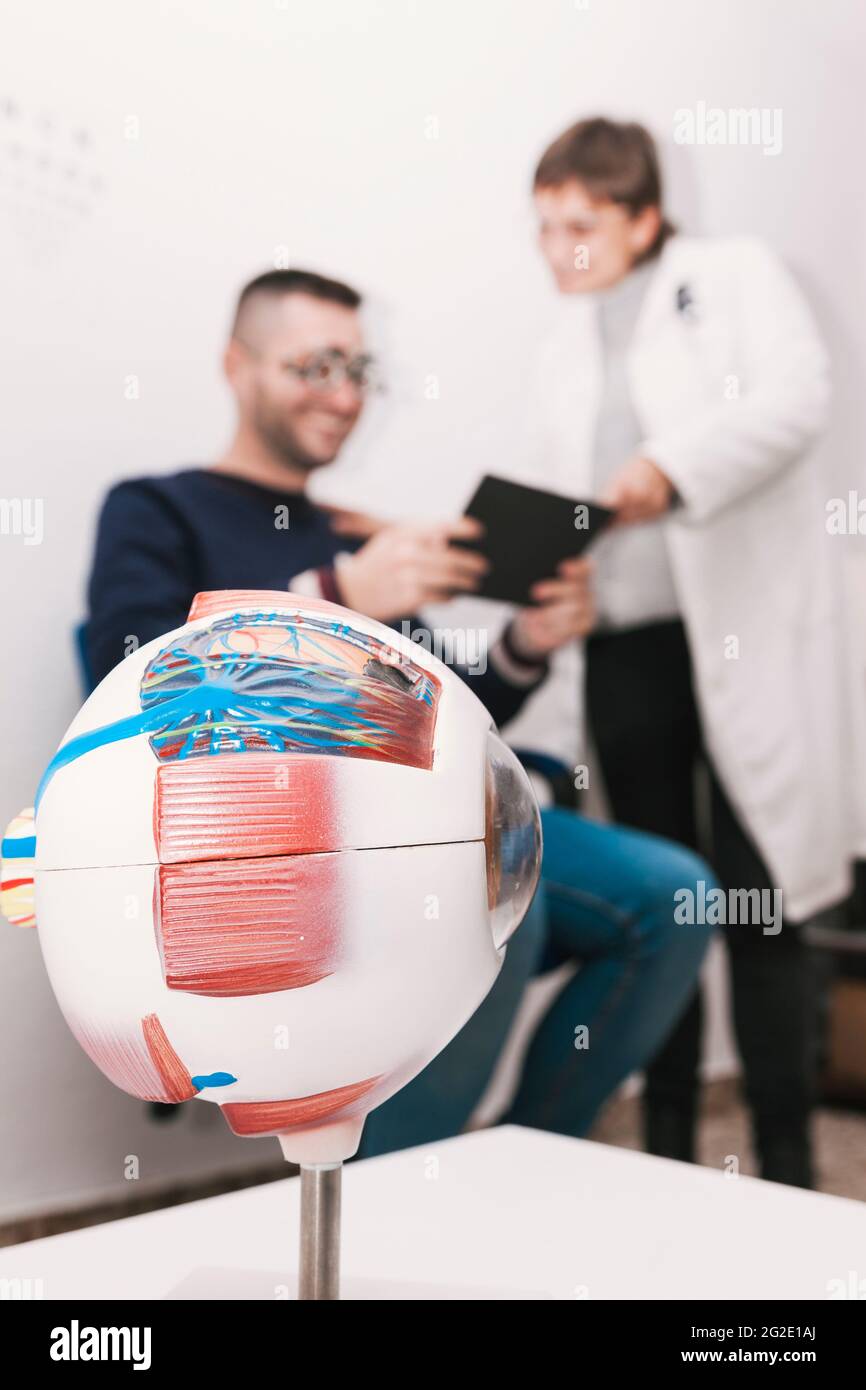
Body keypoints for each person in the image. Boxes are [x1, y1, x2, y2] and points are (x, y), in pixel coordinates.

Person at [85, 267, 715, 1156]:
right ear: (238, 365)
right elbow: (124, 681)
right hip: (260, 840)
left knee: (676, 895)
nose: (343, 395)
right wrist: (337, 592)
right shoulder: (156, 510)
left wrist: (524, 644)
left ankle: (519, 1159)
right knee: (481, 880)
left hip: (415, 816)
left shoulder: (356, 531)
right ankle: (396, 1191)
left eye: (358, 370)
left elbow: (439, 721)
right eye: (315, 366)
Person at [516, 115, 853, 1187]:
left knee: (757, 907)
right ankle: (661, 1164)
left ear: (642, 214)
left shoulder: (731, 277)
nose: (555, 247)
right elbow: (569, 500)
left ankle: (789, 1166)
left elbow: (796, 398)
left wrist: (667, 470)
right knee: (663, 908)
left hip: (738, 641)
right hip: (624, 656)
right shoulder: (559, 344)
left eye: (578, 224)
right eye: (542, 226)